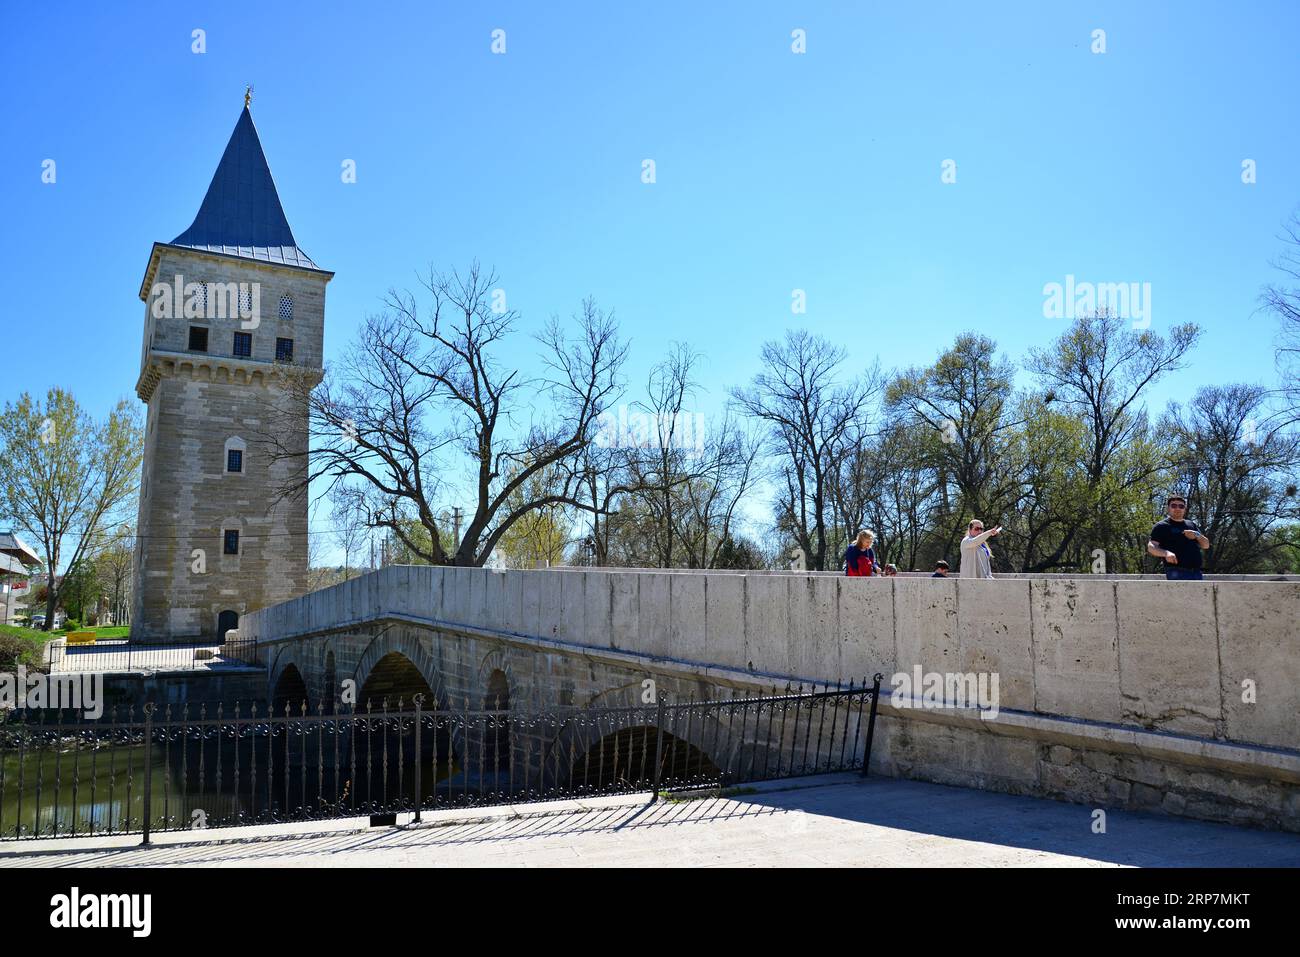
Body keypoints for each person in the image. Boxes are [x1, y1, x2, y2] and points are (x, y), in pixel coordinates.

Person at [1147, 495, 1210, 580]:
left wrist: (1197, 535)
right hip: (1175, 572)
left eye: (1181, 506)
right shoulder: (1161, 526)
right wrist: (1166, 553)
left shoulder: (1191, 524)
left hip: (1196, 572)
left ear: (1185, 509)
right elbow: (1151, 547)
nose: (1178, 508)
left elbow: (1206, 545)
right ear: (1168, 508)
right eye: (1173, 506)